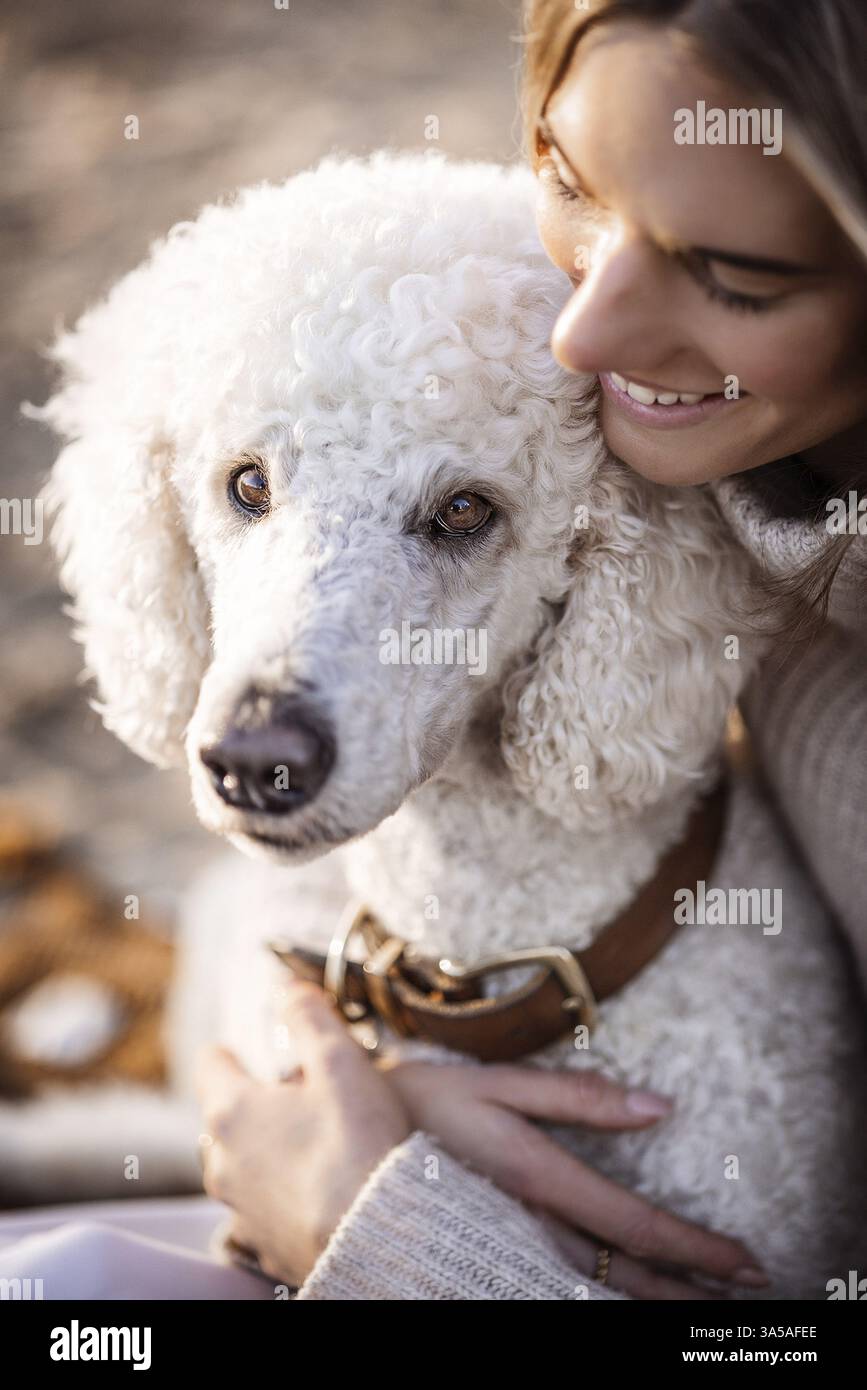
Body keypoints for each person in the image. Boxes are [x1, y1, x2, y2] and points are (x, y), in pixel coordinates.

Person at [197, 0, 867, 1301]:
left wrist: (378, 1231)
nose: (581, 334)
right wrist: (391, 1077)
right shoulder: (721, 481)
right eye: (571, 179)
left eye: (731, 274)